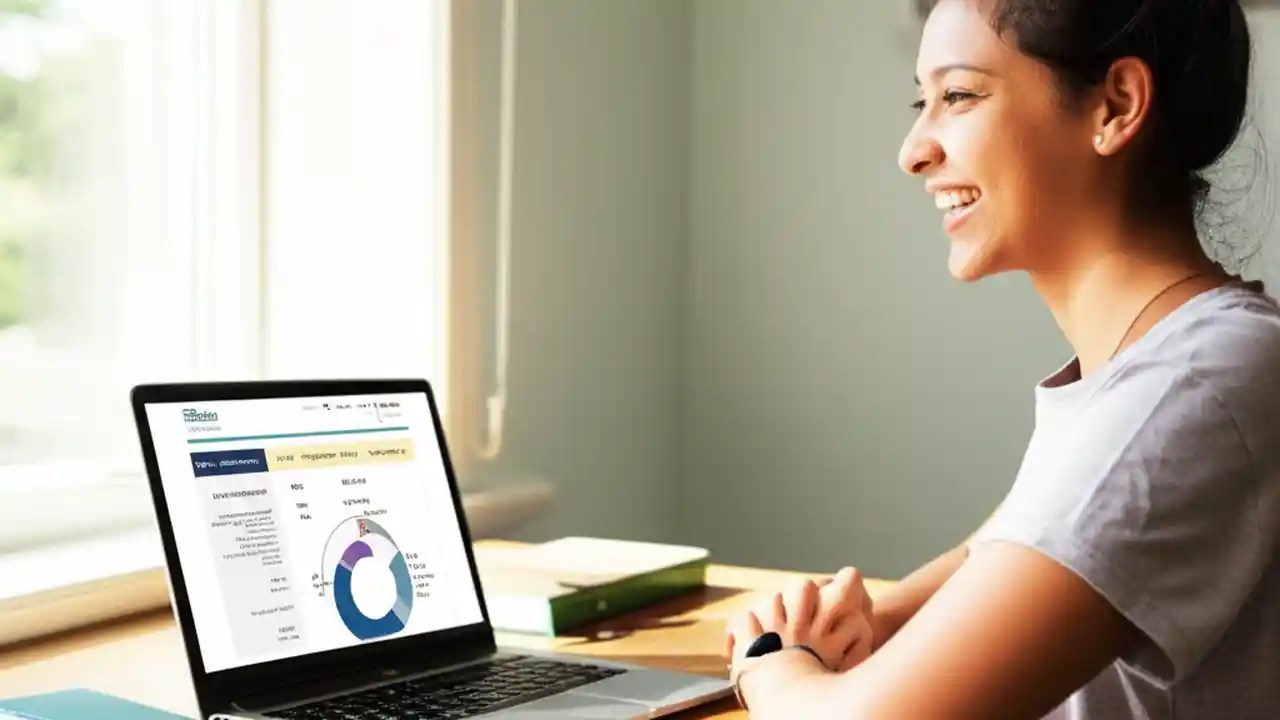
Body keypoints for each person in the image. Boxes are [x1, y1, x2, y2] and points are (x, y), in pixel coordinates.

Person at [724, 1, 1280, 718]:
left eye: (957, 95)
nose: (913, 150)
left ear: (1116, 106)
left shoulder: (1198, 384)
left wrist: (768, 665)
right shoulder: (1155, 371)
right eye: (922, 100)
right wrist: (862, 627)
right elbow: (1003, 551)